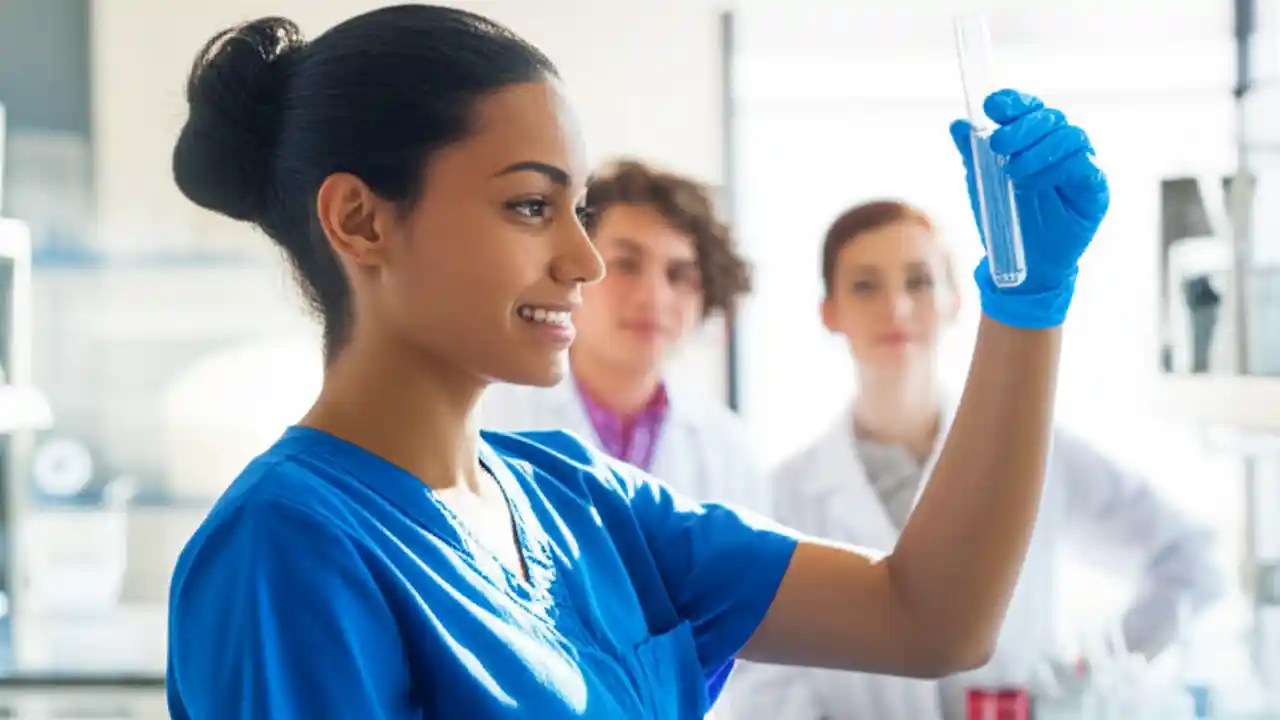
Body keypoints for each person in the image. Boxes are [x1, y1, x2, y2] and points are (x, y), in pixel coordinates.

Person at [163, 5, 1110, 718]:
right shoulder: (288, 548)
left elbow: (932, 617)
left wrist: (1026, 302)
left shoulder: (580, 500)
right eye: (530, 207)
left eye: (575, 210)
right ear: (361, 220)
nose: (583, 262)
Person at [728, 199, 1225, 720]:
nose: (896, 307)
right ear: (830, 312)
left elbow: (1191, 556)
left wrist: (1094, 678)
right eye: (866, 286)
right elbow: (761, 678)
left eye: (919, 281)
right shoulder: (782, 495)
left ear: (955, 299)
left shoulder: (1037, 452)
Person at [479, 159, 768, 514]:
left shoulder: (729, 451)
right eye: (626, 265)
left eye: (679, 275)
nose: (654, 297)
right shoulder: (492, 416)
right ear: (572, 268)